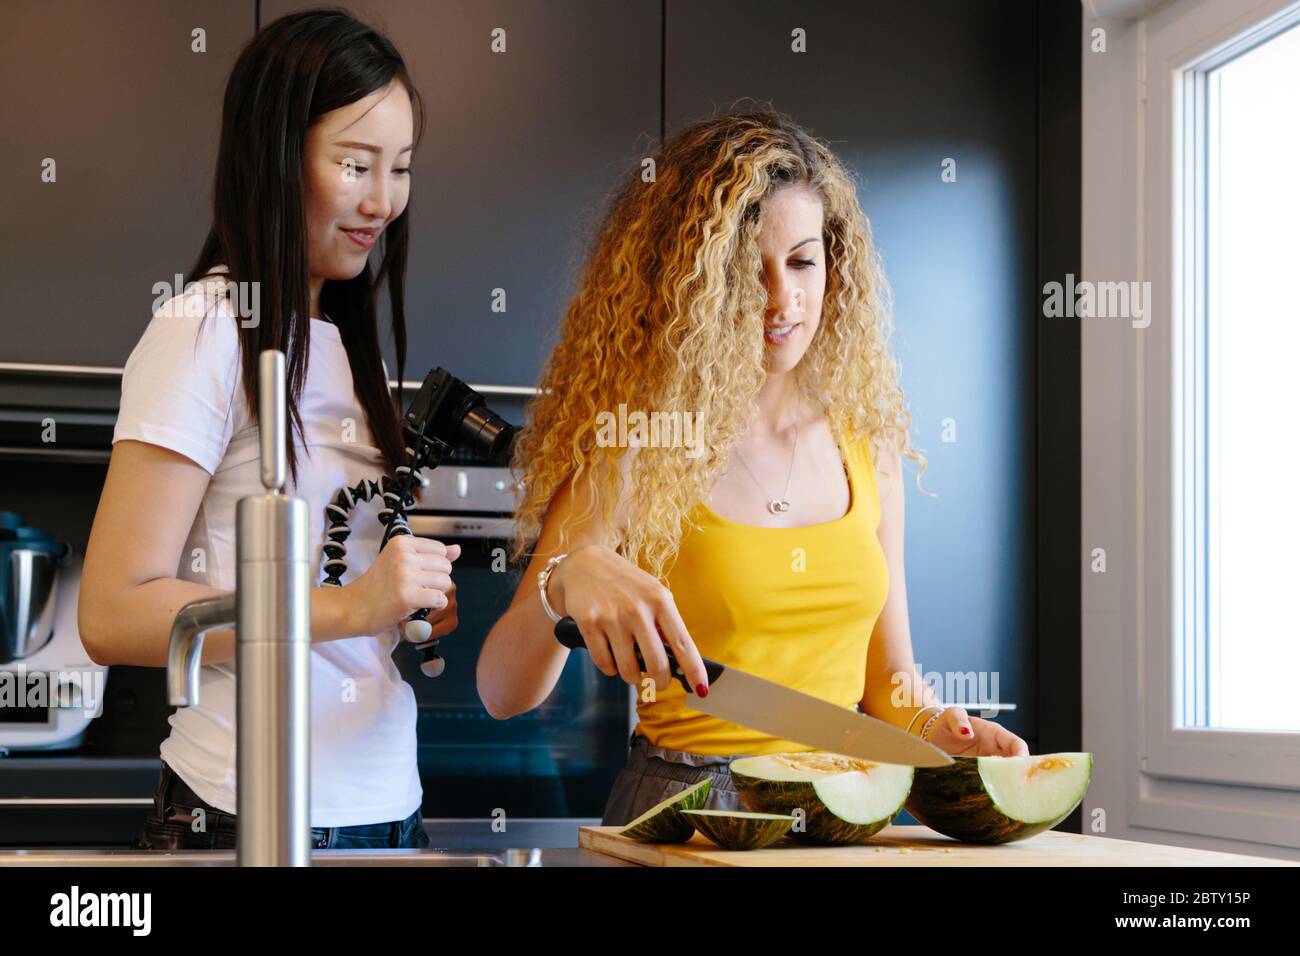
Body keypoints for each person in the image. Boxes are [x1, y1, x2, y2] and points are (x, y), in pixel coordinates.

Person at [477, 107, 1029, 824]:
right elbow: (499, 691)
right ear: (692, 282)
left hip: (842, 813)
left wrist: (944, 738)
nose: (781, 299)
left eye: (802, 261)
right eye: (746, 270)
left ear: (836, 261)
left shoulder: (868, 445)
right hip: (688, 815)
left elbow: (890, 683)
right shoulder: (638, 446)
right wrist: (560, 587)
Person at [79, 8, 459, 850]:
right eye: (355, 164)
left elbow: (346, 600)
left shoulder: (344, 346)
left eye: (399, 169)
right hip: (247, 810)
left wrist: (398, 607)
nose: (382, 200)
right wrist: (353, 604)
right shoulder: (207, 328)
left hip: (387, 805)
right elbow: (113, 612)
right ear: (275, 158)